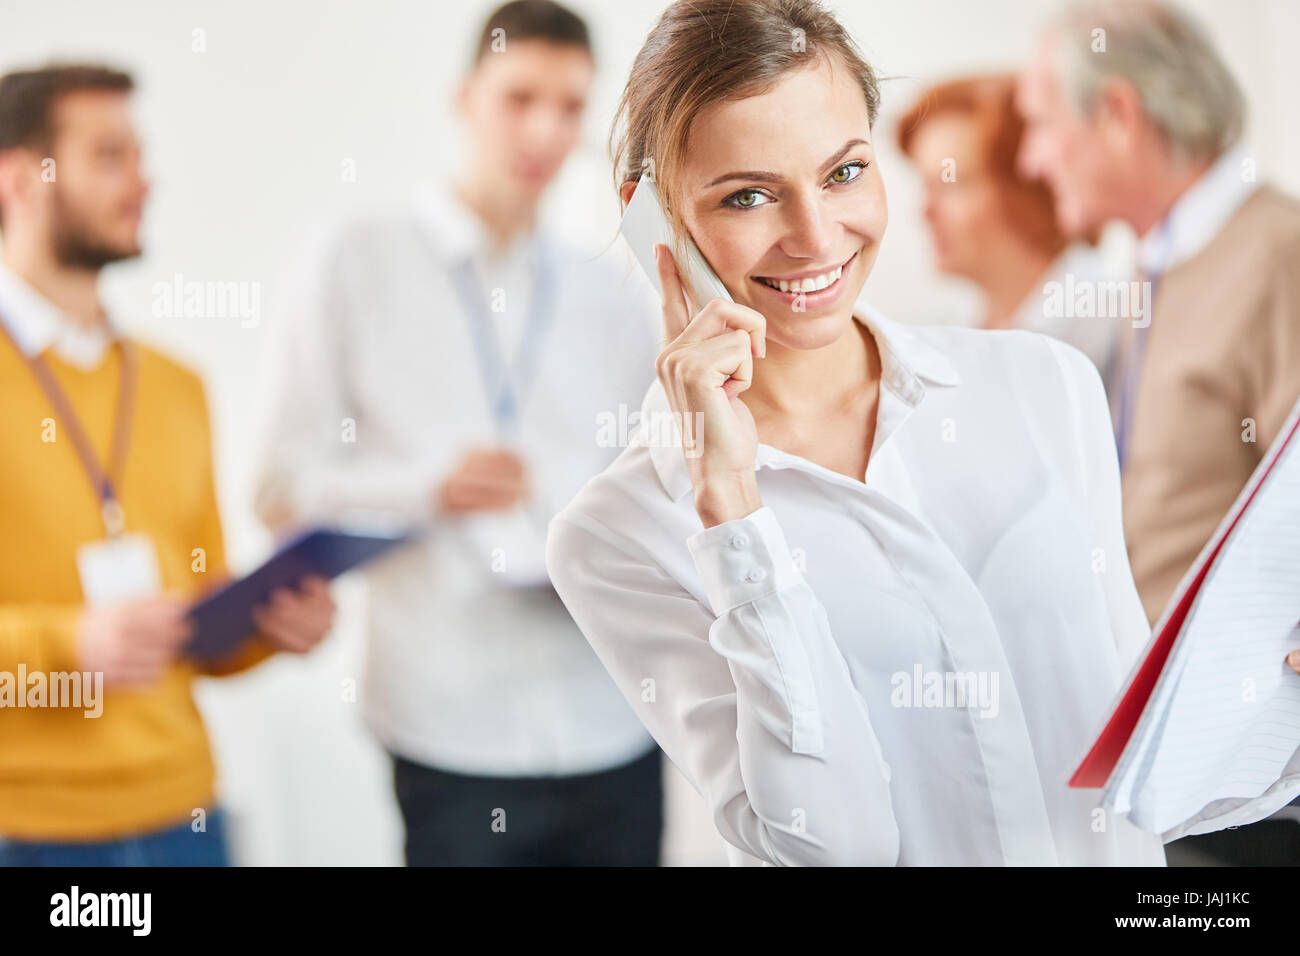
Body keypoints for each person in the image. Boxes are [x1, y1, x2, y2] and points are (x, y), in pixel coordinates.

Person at [544, 0, 1300, 867]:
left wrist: (1268, 691)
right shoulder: (618, 532)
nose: (817, 237)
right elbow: (839, 843)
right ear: (652, 219)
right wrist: (732, 509)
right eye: (748, 195)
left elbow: (1141, 763)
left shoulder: (1042, 384)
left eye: (843, 172)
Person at [252, 0, 663, 866]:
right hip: (452, 728)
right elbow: (278, 487)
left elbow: (653, 477)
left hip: (615, 723)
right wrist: (426, 489)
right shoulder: (352, 263)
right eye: (520, 98)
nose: (546, 129)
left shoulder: (612, 290)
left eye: (569, 104)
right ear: (464, 98)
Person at [0, 64, 335, 866]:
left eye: (139, 155)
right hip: (27, 827)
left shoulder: (177, 386)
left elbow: (195, 615)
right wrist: (64, 644)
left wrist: (266, 626)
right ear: (19, 180)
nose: (142, 181)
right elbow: (74, 642)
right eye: (110, 156)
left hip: (185, 812)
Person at [1017, 0, 1300, 865]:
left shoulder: (1277, 253)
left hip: (1248, 791)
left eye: (1041, 124)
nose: (1032, 157)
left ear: (1120, 115)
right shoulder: (1158, 262)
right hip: (1167, 771)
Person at [897, 73, 1122, 391]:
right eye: (926, 185)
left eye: (952, 185)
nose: (925, 211)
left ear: (1032, 185)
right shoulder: (957, 331)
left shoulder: (1107, 322)